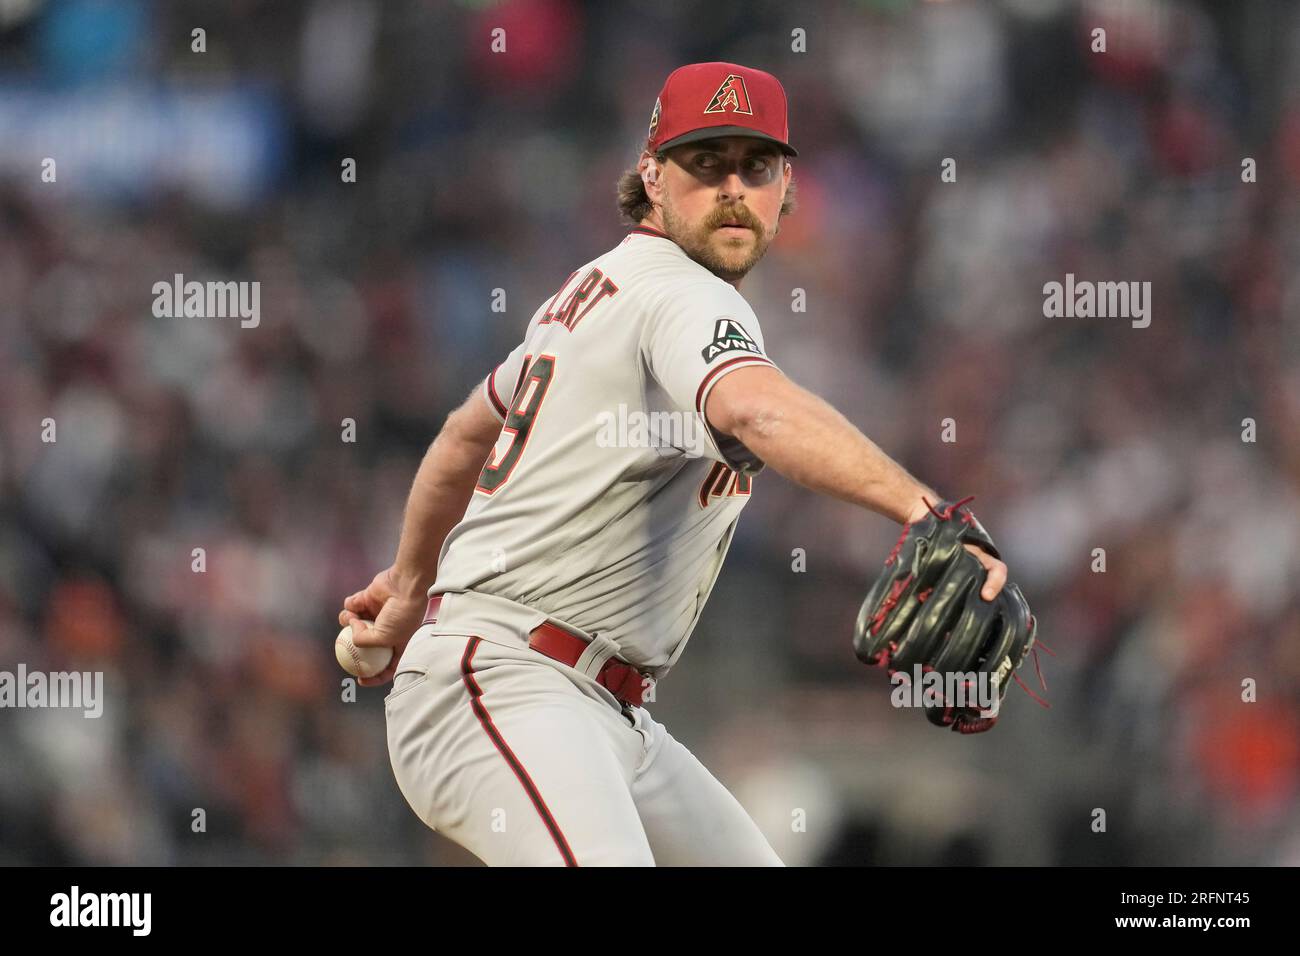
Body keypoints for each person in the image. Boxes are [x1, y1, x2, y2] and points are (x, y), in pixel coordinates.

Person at [338, 61, 1009, 866]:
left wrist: (413, 586)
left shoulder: (588, 292)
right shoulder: (685, 294)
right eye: (705, 163)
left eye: (755, 166)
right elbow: (755, 408)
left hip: (601, 712)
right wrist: (922, 509)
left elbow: (459, 440)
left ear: (786, 186)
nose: (733, 187)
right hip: (513, 683)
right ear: (651, 177)